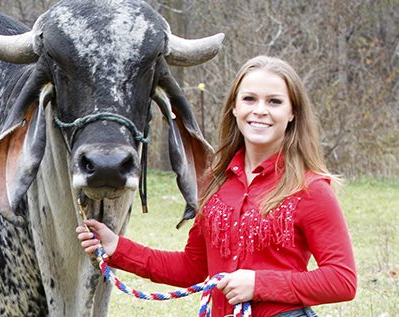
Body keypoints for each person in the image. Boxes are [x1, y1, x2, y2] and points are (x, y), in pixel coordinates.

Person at [76, 56, 356, 317]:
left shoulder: (311, 189)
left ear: (292, 112)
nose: (260, 110)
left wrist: (259, 284)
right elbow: (193, 267)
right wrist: (118, 248)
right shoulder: (215, 182)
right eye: (249, 99)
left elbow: (342, 280)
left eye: (274, 102)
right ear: (234, 107)